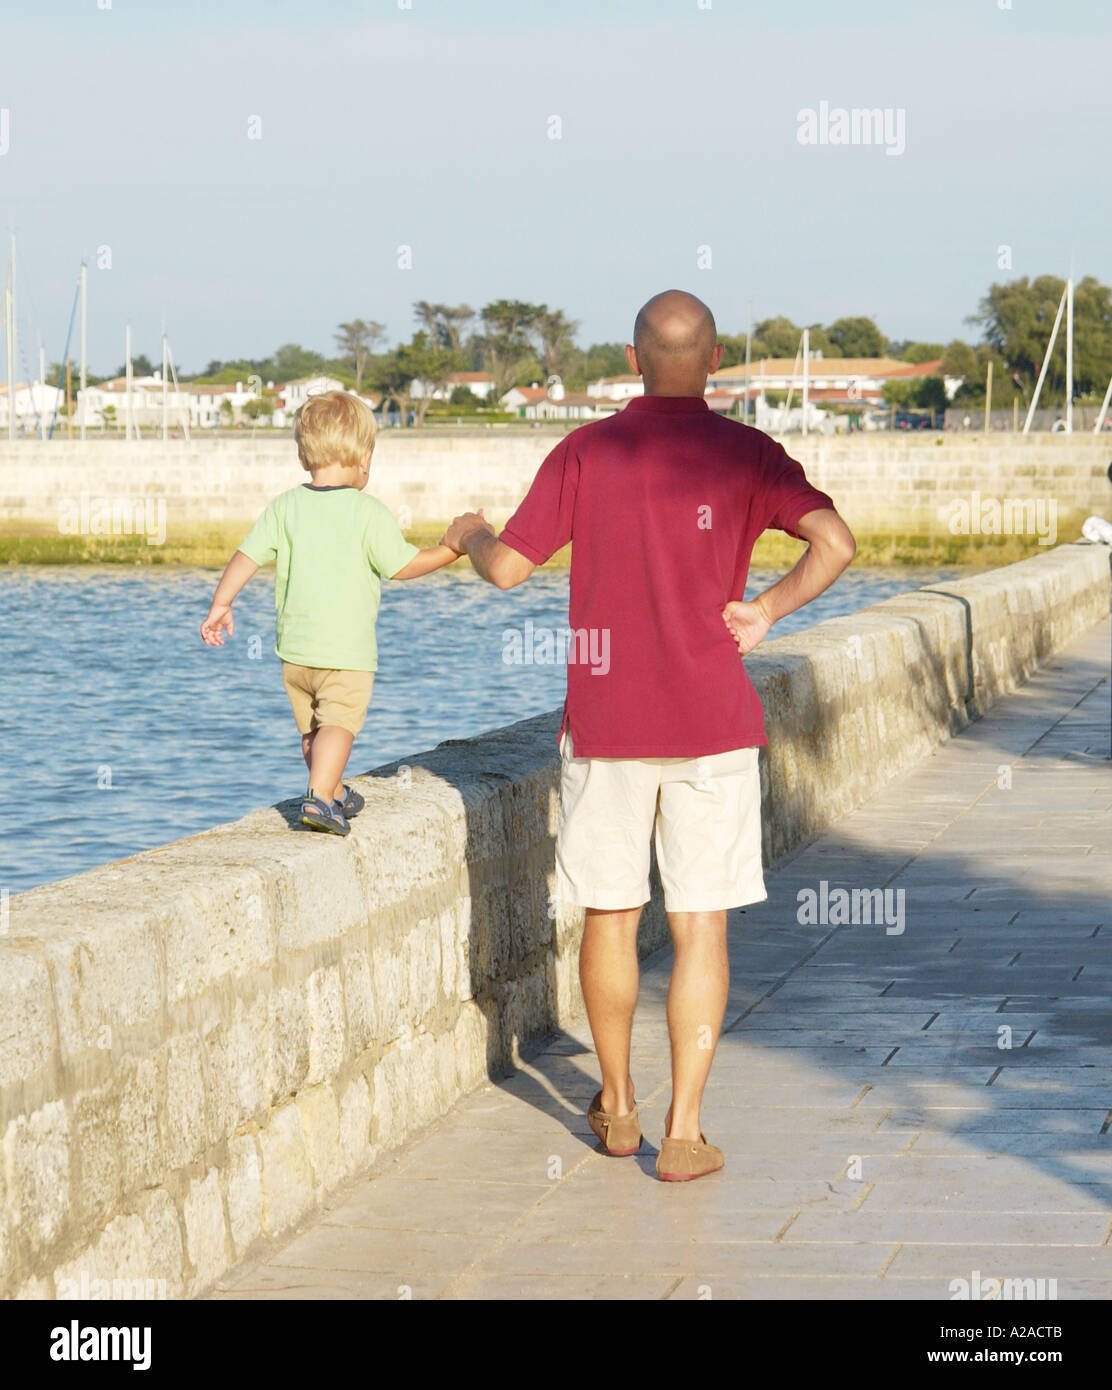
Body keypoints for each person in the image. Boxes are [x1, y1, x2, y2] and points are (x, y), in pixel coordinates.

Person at [444, 290, 856, 1181]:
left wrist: (471, 533)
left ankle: (620, 1108)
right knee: (700, 925)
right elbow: (835, 540)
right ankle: (684, 1133)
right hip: (712, 725)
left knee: (612, 913)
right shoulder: (751, 454)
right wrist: (768, 611)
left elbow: (510, 570)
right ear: (714, 362)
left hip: (606, 728)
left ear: (632, 360)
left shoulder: (590, 450)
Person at [200, 390, 461, 835]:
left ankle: (334, 789)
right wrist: (451, 549)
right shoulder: (367, 512)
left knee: (313, 733)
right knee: (338, 724)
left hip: (295, 654)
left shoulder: (284, 507)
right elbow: (403, 566)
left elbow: (246, 556)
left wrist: (221, 604)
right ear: (364, 456)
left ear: (304, 458)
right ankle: (319, 800)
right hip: (345, 654)